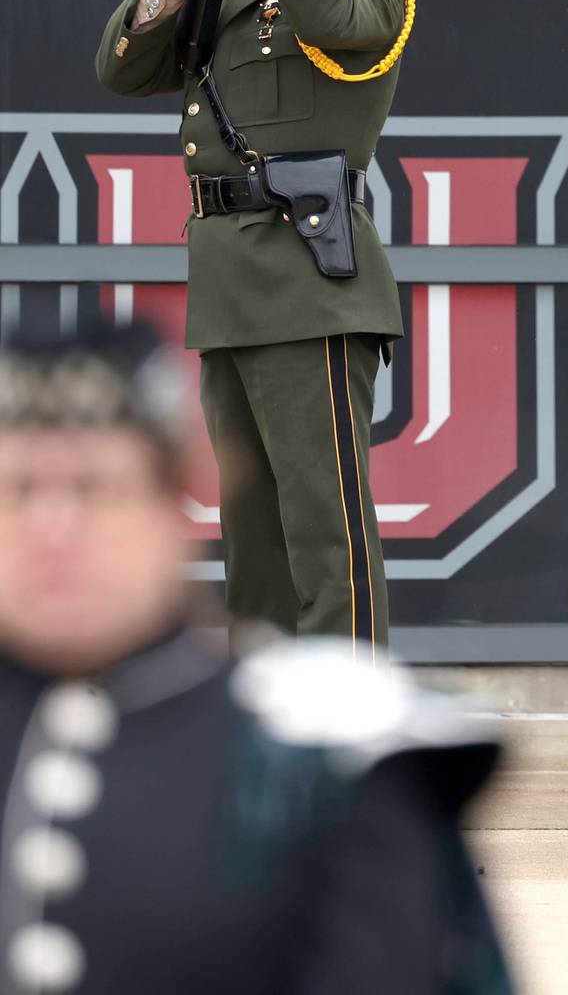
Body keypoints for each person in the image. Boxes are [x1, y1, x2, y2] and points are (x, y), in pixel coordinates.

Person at [0, 318, 513, 995]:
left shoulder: (321, 759)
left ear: (177, 503)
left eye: (97, 489)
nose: (54, 532)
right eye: (18, 491)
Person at [95, 0, 414, 650]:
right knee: (256, 544)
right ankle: (267, 737)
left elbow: (341, 19)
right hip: (230, 286)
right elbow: (121, 69)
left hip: (310, 277)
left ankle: (352, 742)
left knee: (327, 530)